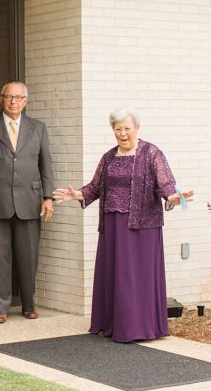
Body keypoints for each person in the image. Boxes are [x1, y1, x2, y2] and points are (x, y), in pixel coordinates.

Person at [53, 108, 194, 343]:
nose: (123, 133)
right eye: (118, 129)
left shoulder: (151, 153)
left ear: (137, 129)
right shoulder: (109, 157)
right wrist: (77, 194)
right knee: (117, 274)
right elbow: (95, 187)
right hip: (113, 225)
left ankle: (141, 327)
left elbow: (166, 185)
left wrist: (173, 197)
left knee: (136, 276)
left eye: (127, 128)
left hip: (143, 226)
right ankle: (114, 323)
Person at [0, 81, 55, 324]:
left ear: (25, 101)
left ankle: (29, 303)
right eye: (9, 97)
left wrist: (48, 197)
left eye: (19, 97)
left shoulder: (38, 128)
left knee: (28, 256)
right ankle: (0, 307)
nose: (14, 101)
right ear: (1, 99)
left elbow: (46, 165)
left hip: (29, 201)